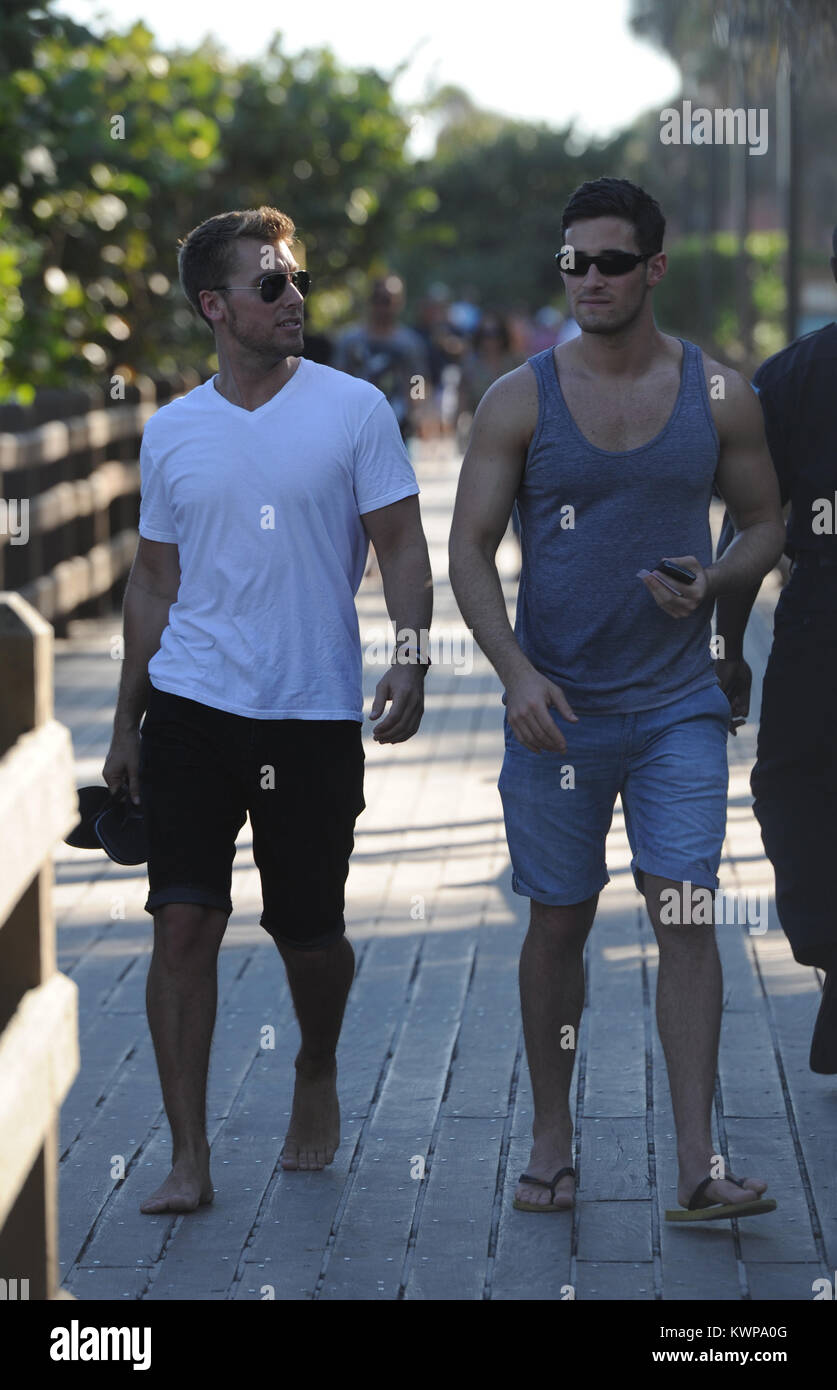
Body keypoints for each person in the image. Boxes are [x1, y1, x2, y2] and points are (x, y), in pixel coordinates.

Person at [449, 177, 785, 1221]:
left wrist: (720, 582)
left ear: (653, 268)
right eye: (572, 263)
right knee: (559, 921)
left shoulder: (720, 396)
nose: (587, 279)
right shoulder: (521, 399)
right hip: (559, 712)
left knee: (684, 911)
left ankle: (696, 1162)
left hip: (679, 703)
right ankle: (552, 1136)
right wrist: (516, 673)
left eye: (607, 261)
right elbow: (465, 550)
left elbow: (768, 521)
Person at [102, 206, 433, 1214]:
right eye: (271, 285)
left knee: (309, 935)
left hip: (311, 709)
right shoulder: (174, 431)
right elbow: (154, 583)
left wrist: (411, 658)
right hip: (194, 706)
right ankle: (189, 1156)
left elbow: (404, 548)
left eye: (296, 281)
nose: (295, 299)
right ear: (216, 307)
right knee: (182, 925)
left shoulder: (353, 410)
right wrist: (126, 720)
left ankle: (317, 1067)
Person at [715, 229, 837, 1074]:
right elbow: (749, 517)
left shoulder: (790, 374)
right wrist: (723, 645)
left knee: (794, 784)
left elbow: (748, 519)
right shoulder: (793, 378)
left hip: (817, 611)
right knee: (791, 783)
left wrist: (728, 649)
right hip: (819, 607)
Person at [333, 274, 430, 444]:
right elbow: (338, 378)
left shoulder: (410, 343)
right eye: (376, 299)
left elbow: (418, 379)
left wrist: (417, 410)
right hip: (356, 426)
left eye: (387, 300)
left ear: (399, 302)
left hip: (398, 427)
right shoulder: (350, 340)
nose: (381, 306)